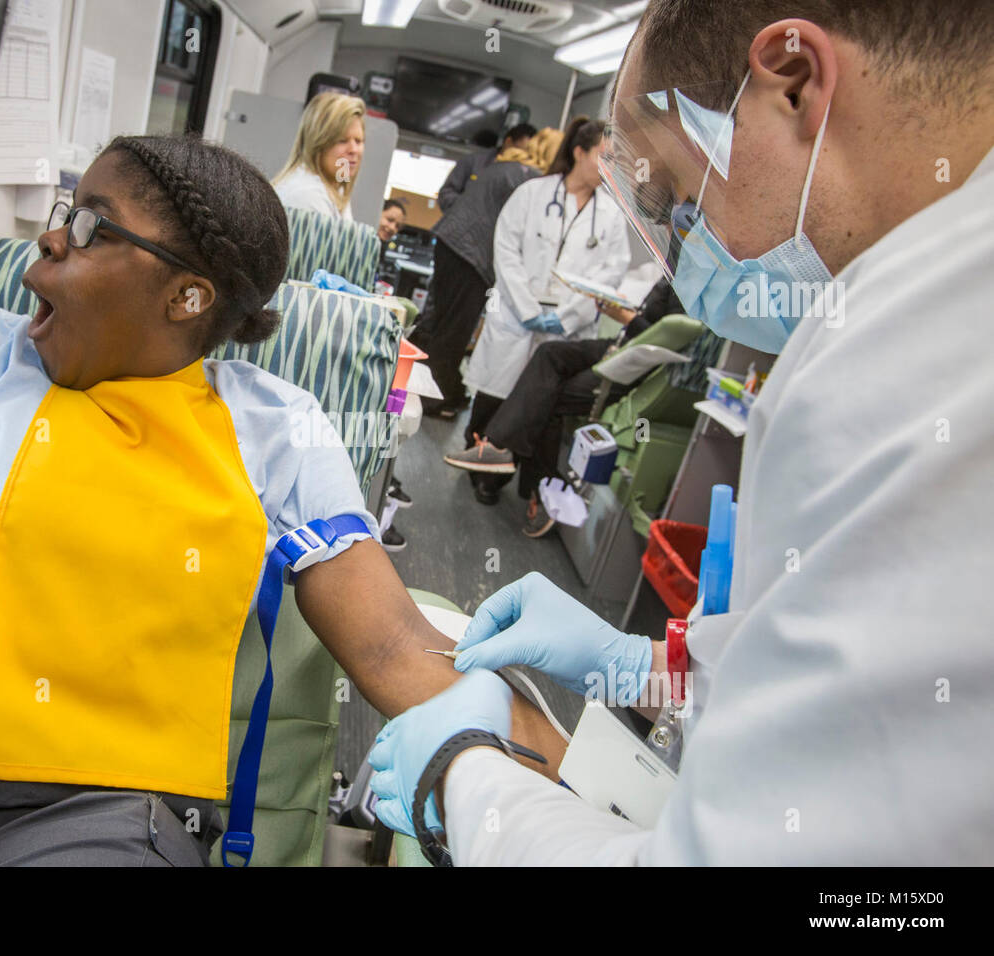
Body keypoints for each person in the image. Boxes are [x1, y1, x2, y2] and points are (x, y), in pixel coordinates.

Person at [0, 135, 570, 866]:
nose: (50, 242)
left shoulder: (277, 427)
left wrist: (585, 793)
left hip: (95, 811)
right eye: (60, 215)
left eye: (89, 226)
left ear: (187, 296)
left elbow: (390, 644)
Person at [367, 0, 994, 864]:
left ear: (796, 81)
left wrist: (467, 784)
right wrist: (644, 669)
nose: (688, 253)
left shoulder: (908, 348)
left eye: (684, 202)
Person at [456, 116, 631, 504]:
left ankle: (510, 478)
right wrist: (526, 305)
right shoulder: (532, 194)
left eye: (615, 160)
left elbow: (611, 274)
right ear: (579, 152)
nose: (609, 167)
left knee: (533, 404)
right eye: (604, 156)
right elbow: (506, 249)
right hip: (517, 314)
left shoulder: (613, 216)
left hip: (566, 324)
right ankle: (479, 470)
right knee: (494, 394)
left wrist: (566, 316)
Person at [447, 279, 685, 525]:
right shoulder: (674, 269)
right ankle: (503, 451)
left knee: (548, 395)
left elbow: (666, 341)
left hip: (637, 362)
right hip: (623, 345)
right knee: (549, 354)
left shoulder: (691, 285)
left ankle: (532, 479)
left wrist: (626, 317)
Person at [408, 128, 563, 417]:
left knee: (440, 323)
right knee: (454, 331)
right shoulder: (530, 180)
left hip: (452, 244)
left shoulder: (506, 167)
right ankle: (432, 401)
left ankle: (438, 392)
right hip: (471, 254)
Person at [272, 92, 366, 220]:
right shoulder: (306, 195)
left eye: (358, 141)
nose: (354, 150)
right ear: (318, 142)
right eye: (342, 140)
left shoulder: (336, 190)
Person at [437, 123, 537, 212]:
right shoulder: (474, 161)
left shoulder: (524, 179)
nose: (522, 156)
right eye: (521, 150)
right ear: (508, 142)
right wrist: (467, 207)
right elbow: (445, 194)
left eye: (528, 154)